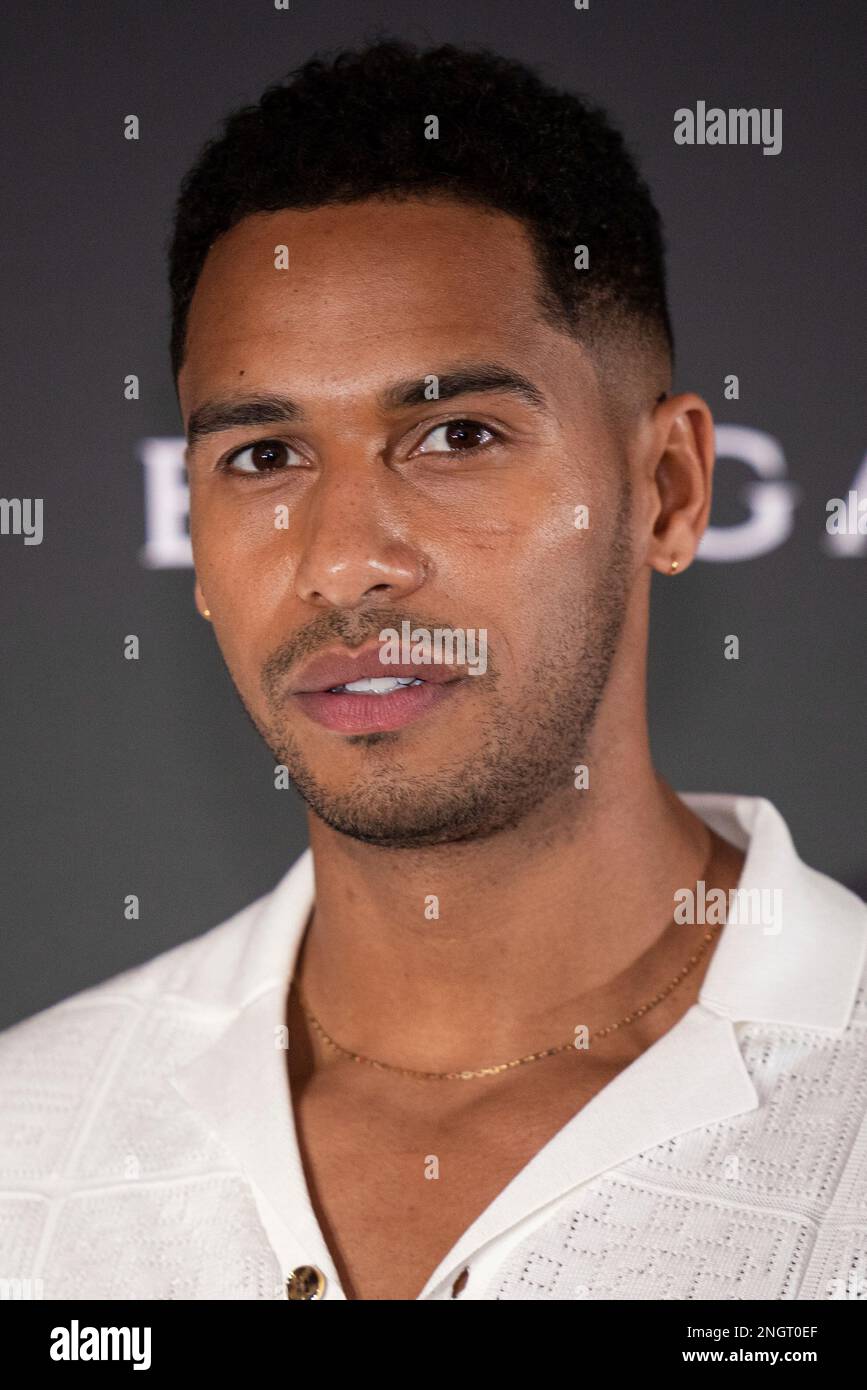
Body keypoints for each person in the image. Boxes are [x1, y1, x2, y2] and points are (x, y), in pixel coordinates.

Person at [1, 40, 865, 1303]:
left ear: (669, 491)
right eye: (262, 456)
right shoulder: (27, 1137)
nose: (346, 562)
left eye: (455, 436)